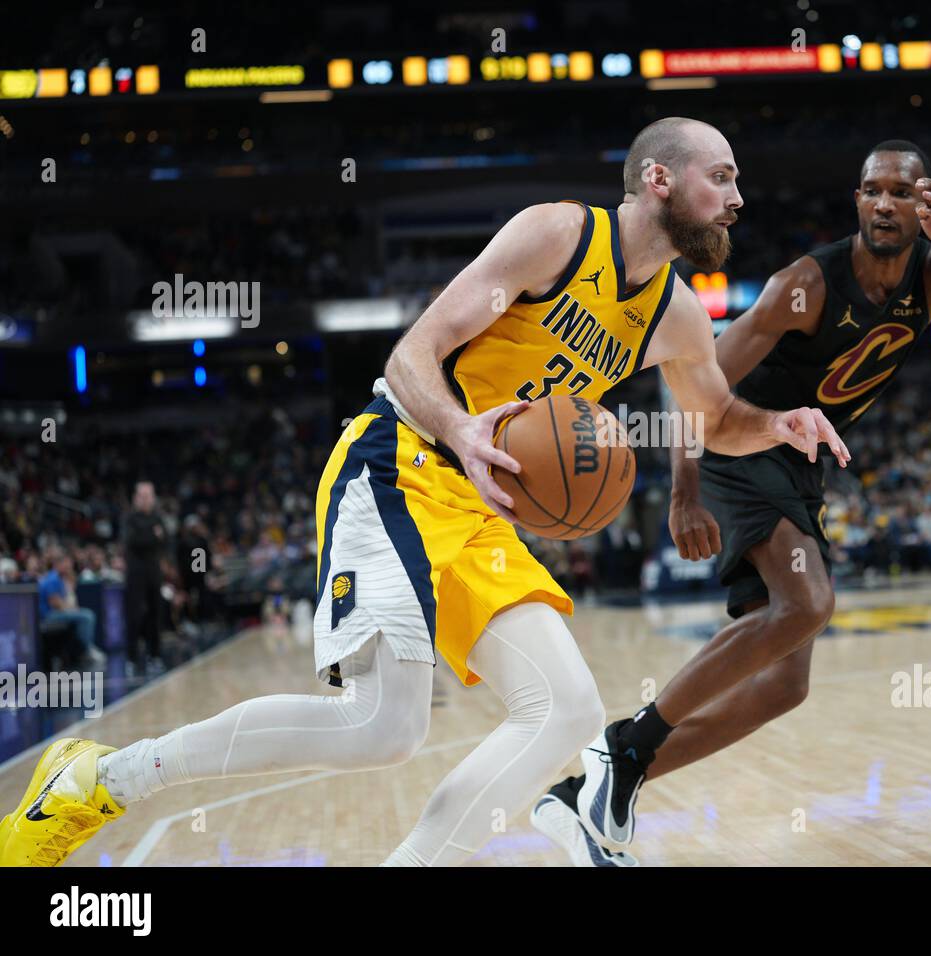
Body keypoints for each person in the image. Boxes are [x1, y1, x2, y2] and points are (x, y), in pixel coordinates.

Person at [0, 117, 850, 868]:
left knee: (565, 710)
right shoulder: (557, 235)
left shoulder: (677, 315)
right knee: (385, 727)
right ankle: (99, 779)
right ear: (659, 179)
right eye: (723, 175)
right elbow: (414, 353)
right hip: (399, 464)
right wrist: (463, 429)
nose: (738, 197)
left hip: (475, 509)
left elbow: (716, 415)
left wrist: (778, 426)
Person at [534, 140, 931, 864]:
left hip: (800, 463)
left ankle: (584, 792)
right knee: (807, 604)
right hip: (739, 443)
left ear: (926, 203)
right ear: (857, 200)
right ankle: (625, 748)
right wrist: (684, 492)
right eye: (870, 189)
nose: (882, 203)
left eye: (900, 192)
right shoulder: (803, 284)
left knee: (785, 686)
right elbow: (699, 380)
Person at [123, 480, 166, 671]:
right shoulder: (129, 518)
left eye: (149, 496)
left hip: (154, 571)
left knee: (155, 614)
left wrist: (150, 537)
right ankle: (131, 658)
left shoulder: (158, 518)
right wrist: (152, 536)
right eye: (142, 496)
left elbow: (165, 540)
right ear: (136, 498)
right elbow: (133, 541)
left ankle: (154, 656)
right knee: (134, 615)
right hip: (135, 572)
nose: (146, 499)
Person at [37, 552, 106, 668]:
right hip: (49, 616)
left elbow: (69, 601)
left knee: (82, 616)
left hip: (57, 613)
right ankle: (87, 650)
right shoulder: (52, 579)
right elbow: (56, 604)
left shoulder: (61, 579)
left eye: (70, 563)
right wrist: (74, 610)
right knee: (87, 616)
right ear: (58, 564)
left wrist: (73, 608)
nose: (69, 566)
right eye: (66, 563)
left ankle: (80, 651)